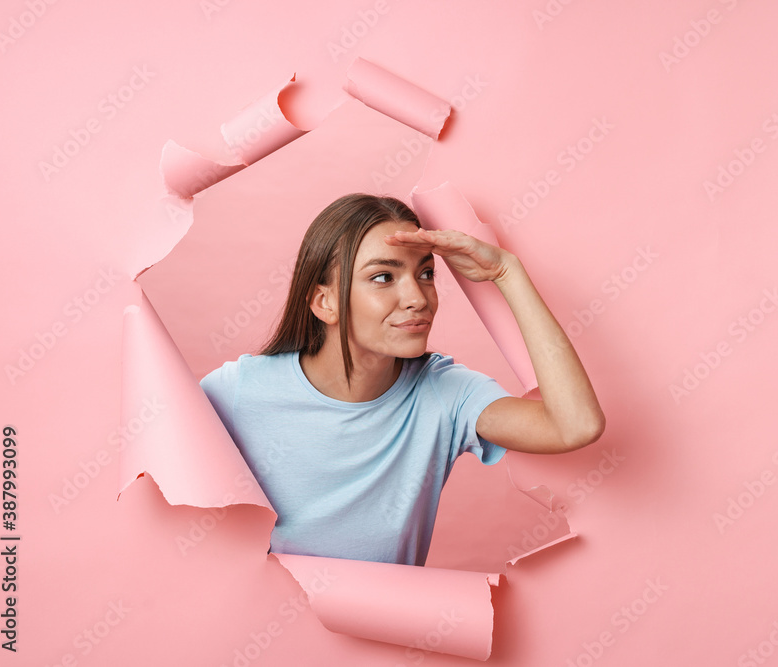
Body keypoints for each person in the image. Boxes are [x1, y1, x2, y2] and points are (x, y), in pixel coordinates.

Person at [199, 193, 604, 566]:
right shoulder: (239, 389)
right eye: (383, 277)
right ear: (324, 302)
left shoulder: (447, 393)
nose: (417, 297)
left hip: (384, 636)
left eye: (426, 273)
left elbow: (575, 425)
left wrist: (506, 272)